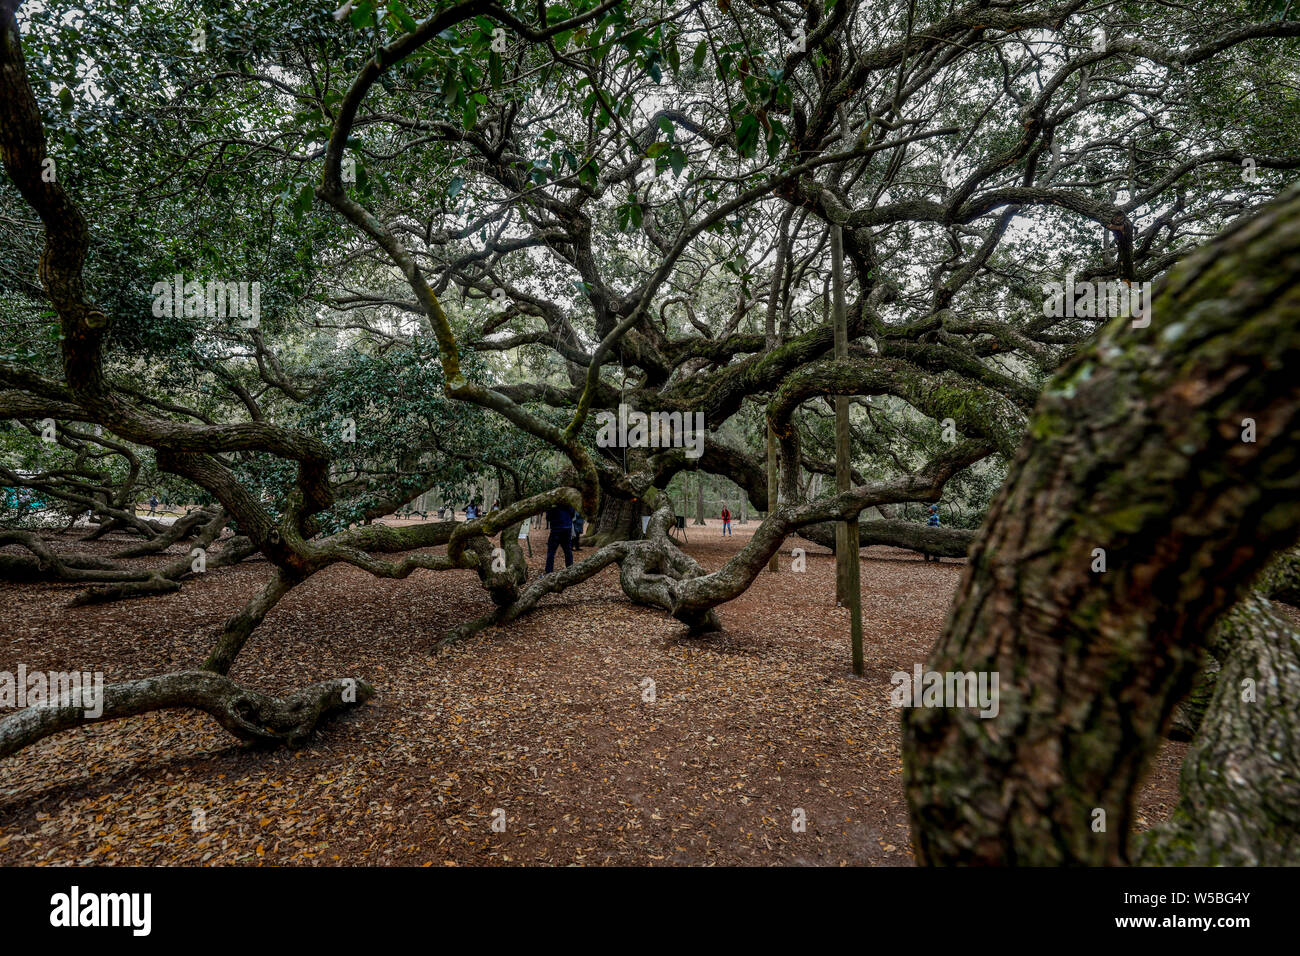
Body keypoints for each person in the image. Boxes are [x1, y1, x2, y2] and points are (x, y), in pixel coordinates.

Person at [545, 500, 576, 573]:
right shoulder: (569, 503)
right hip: (567, 528)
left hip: (556, 529)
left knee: (551, 552)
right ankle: (570, 570)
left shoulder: (553, 504)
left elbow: (548, 517)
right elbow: (572, 514)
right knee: (568, 551)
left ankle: (549, 571)